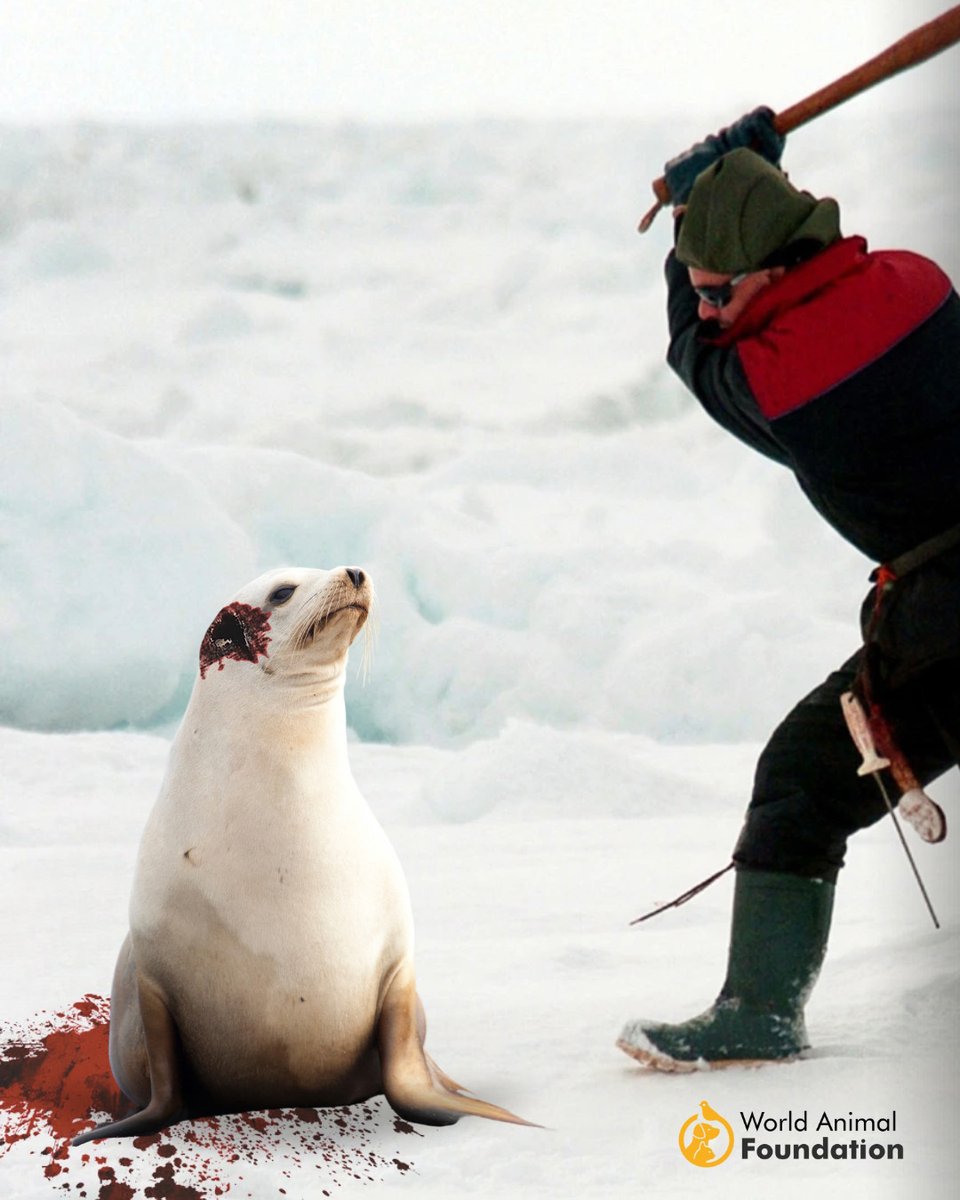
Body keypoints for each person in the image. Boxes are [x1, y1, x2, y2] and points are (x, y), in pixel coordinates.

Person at [618, 112, 960, 1069]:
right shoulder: (917, 281)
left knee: (807, 779)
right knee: (811, 769)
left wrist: (693, 197)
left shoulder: (793, 379)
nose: (711, 307)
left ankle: (763, 1014)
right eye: (699, 288)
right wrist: (729, 194)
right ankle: (759, 1013)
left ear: (774, 266)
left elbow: (696, 358)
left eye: (720, 290)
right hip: (940, 617)